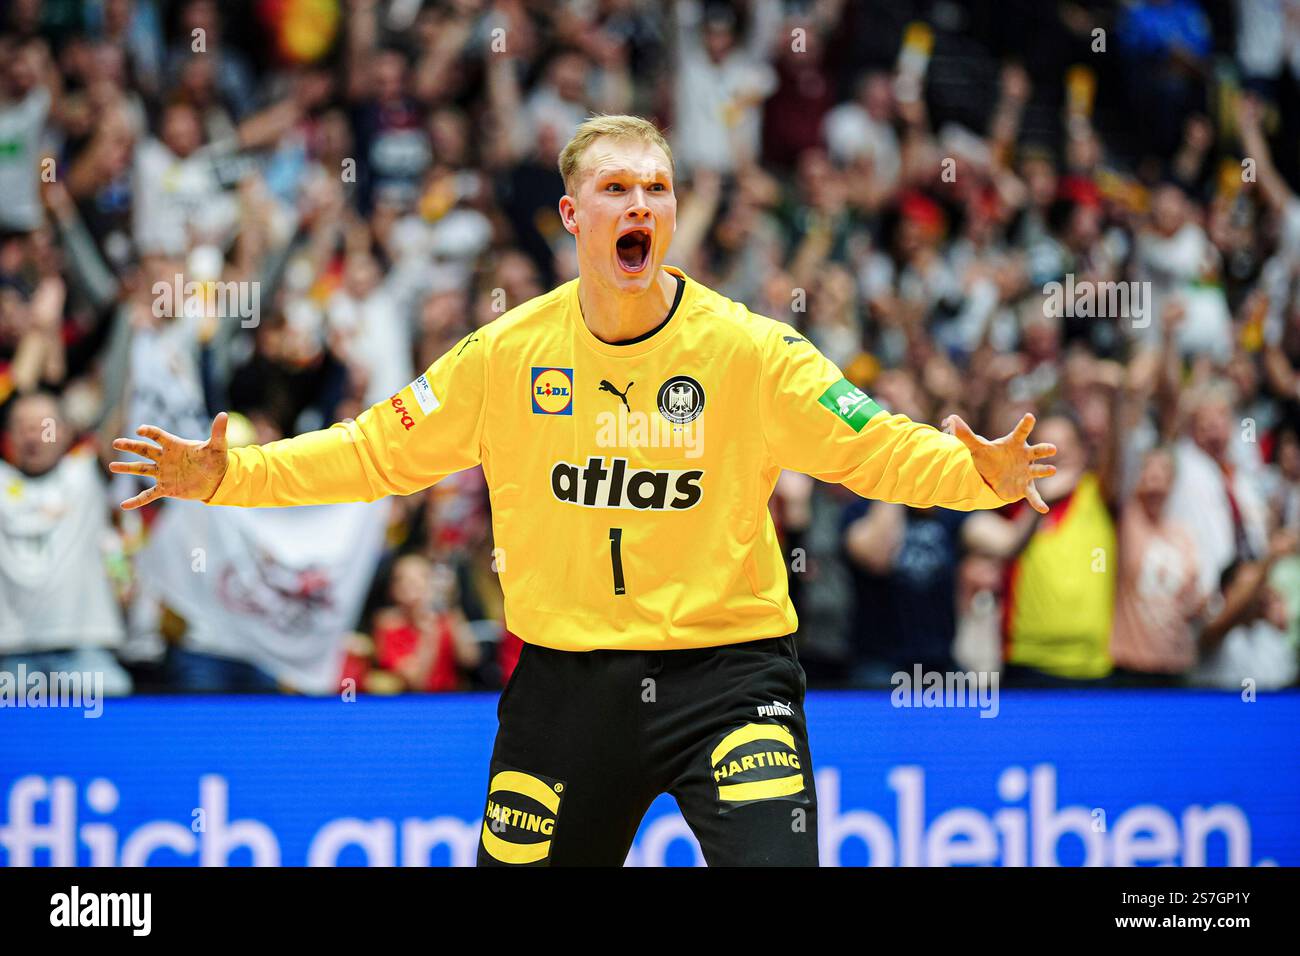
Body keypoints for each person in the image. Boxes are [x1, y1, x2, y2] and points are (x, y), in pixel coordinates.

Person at [110, 115, 1056, 867]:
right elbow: (371, 453)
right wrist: (229, 476)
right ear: (574, 217)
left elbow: (876, 448)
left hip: (727, 677)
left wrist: (977, 474)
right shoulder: (507, 354)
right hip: (563, 684)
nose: (640, 203)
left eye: (657, 188)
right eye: (616, 188)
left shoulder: (750, 352)